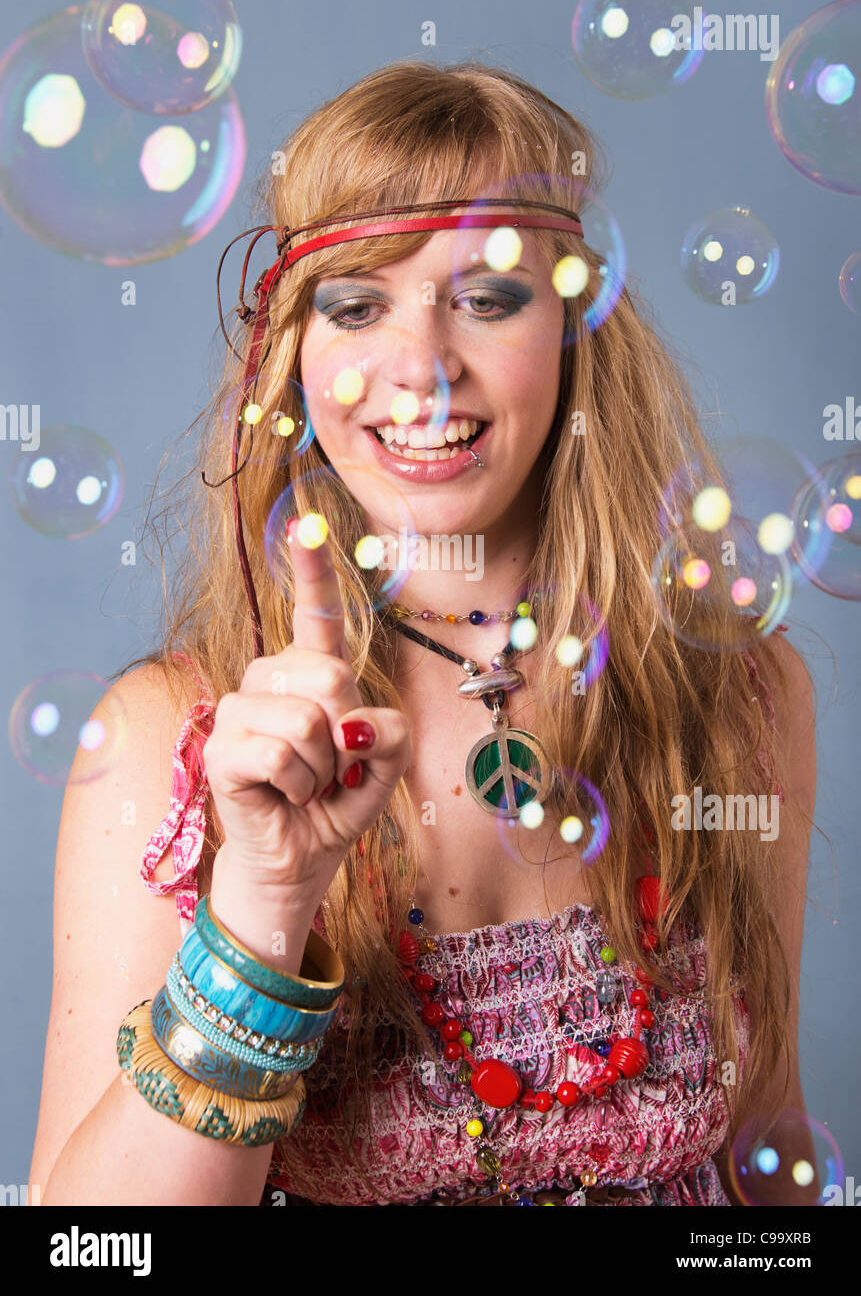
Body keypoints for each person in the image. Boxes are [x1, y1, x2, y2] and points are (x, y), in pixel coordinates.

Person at [30, 60, 816, 1207]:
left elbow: (769, 1154)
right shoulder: (170, 742)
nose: (421, 368)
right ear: (294, 356)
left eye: (490, 298)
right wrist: (261, 897)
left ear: (579, 328)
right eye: (357, 305)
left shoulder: (738, 692)